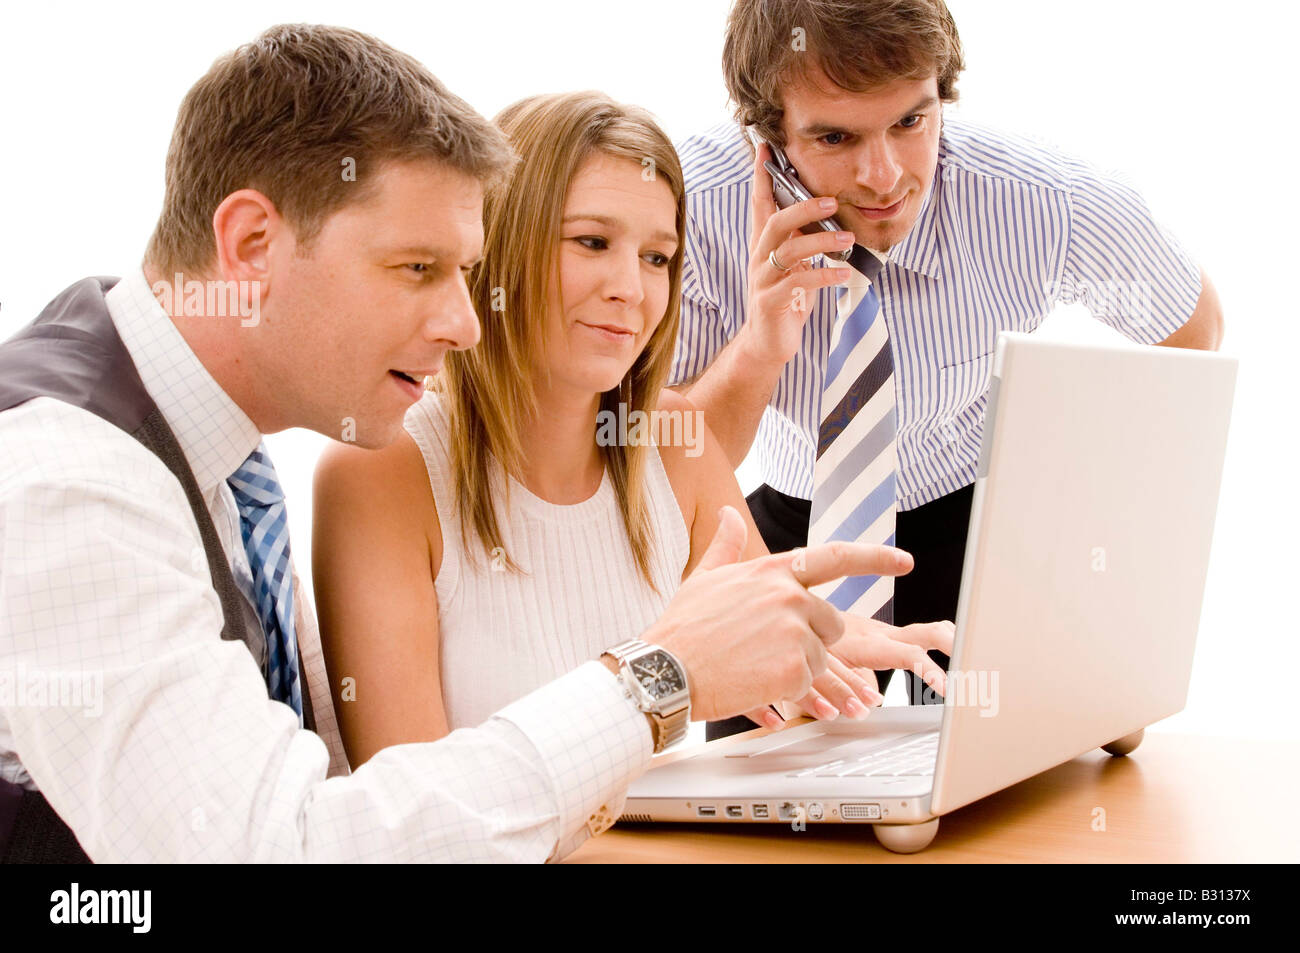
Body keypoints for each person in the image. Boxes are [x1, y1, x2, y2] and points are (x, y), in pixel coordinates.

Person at [0, 24, 914, 863]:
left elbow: (340, 788)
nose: (464, 323)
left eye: (465, 273)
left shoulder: (206, 448)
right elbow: (281, 849)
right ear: (248, 242)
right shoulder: (69, 482)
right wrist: (655, 679)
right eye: (416, 269)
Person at [311, 91, 953, 769]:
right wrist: (664, 676)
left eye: (657, 258)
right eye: (592, 242)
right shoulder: (380, 470)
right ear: (498, 242)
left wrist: (837, 679)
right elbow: (419, 816)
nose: (632, 289)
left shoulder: (675, 443)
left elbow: (794, 690)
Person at [669, 0, 1225, 738]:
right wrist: (758, 347)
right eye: (835, 136)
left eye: (910, 121)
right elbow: (666, 464)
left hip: (973, 509)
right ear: (766, 132)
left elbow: (1194, 333)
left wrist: (1081, 535)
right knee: (781, 798)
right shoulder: (686, 213)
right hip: (794, 521)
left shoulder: (1042, 203)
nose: (884, 176)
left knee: (1038, 767)